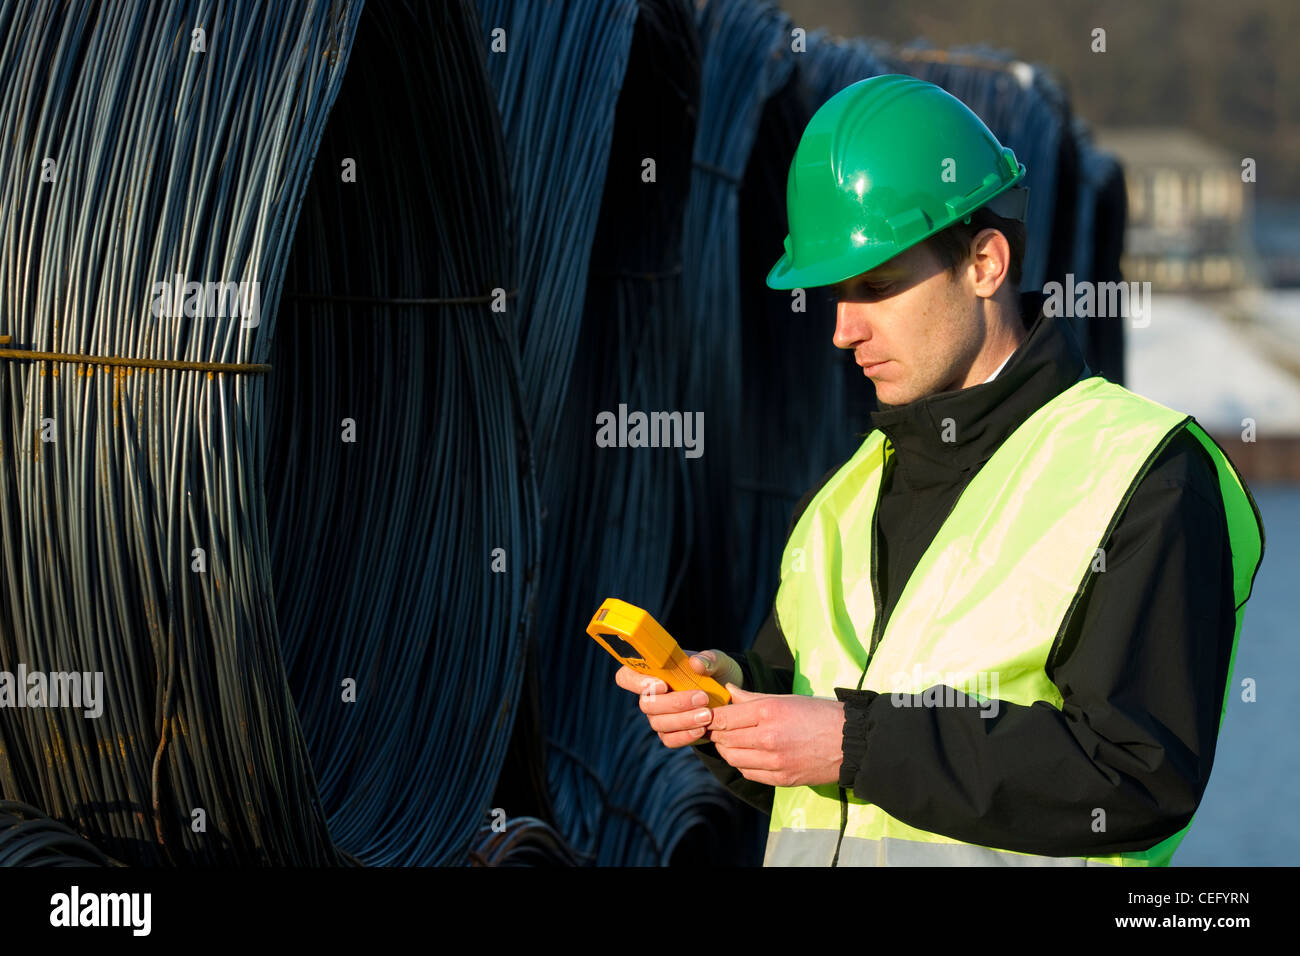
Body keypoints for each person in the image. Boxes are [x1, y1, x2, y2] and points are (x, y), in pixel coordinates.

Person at [613, 74, 1265, 866]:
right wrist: (730, 703)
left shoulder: (1144, 475)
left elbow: (1135, 778)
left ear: (985, 262)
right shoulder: (847, 496)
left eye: (877, 287)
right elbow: (820, 745)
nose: (842, 331)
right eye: (835, 296)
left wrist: (855, 744)